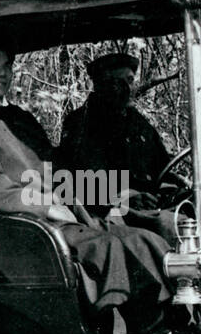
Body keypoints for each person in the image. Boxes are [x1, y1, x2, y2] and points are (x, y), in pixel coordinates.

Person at [0, 45, 192, 334]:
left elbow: (57, 169)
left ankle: (168, 323)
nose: (2, 73)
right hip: (26, 230)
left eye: (7, 65)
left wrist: (116, 197)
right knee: (107, 247)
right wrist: (46, 206)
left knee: (144, 239)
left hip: (64, 217)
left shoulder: (19, 118)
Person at [59, 51, 175, 235]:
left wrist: (170, 189)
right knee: (171, 225)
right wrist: (127, 197)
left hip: (150, 208)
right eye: (120, 83)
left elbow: (163, 167)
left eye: (130, 81)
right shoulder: (81, 123)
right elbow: (84, 181)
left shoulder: (138, 123)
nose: (129, 89)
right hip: (110, 212)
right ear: (102, 86)